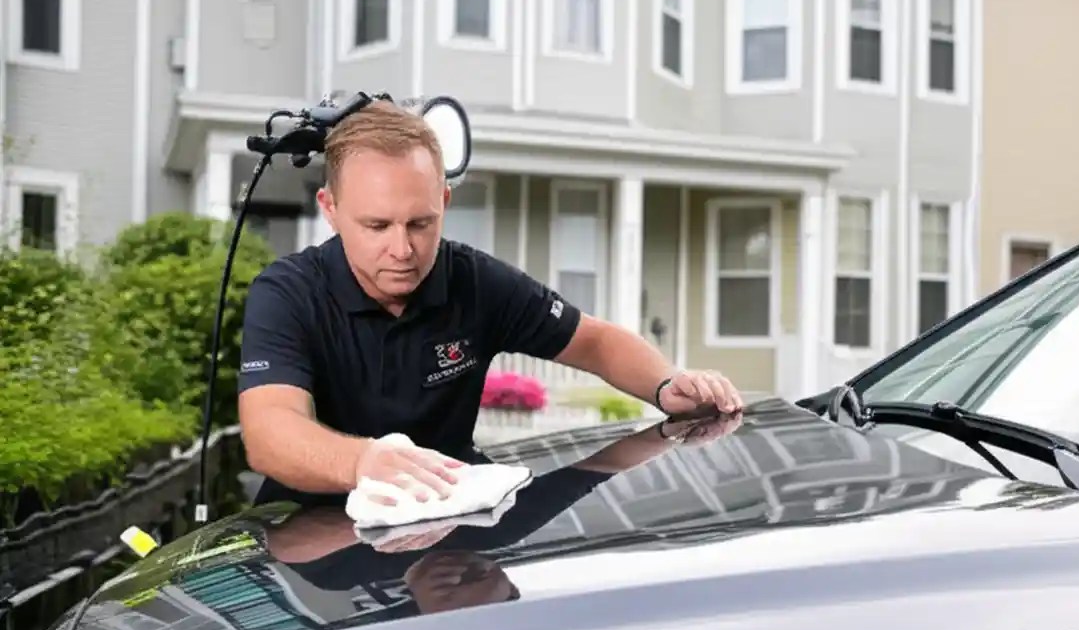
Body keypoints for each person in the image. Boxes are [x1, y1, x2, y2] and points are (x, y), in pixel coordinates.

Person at [236, 100, 744, 508]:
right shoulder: (288, 293)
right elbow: (270, 430)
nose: (402, 249)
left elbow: (595, 342)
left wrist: (666, 384)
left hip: (454, 523)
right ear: (331, 209)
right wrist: (364, 462)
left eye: (420, 223)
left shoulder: (474, 281)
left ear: (444, 205)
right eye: (376, 226)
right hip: (313, 546)